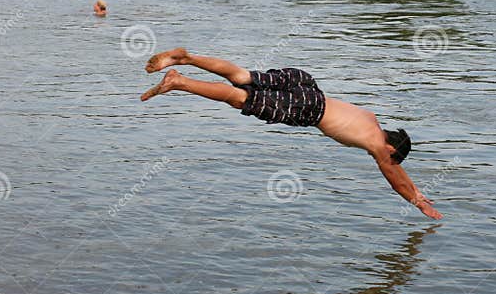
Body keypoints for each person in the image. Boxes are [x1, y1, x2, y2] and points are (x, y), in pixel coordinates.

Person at [140, 48, 443, 219]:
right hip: (308, 109)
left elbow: (396, 170)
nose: (387, 160)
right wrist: (418, 200)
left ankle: (186, 58)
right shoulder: (380, 146)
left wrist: (415, 189)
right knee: (241, 98)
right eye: (393, 157)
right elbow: (395, 177)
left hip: (307, 84)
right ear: (393, 149)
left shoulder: (371, 120)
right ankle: (180, 82)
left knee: (242, 76)